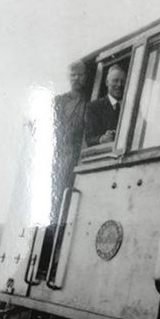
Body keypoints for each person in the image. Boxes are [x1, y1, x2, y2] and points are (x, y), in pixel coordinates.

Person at [50, 61, 90, 223]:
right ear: (68, 77)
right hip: (60, 154)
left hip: (78, 154)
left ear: (85, 77)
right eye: (73, 75)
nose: (76, 78)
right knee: (56, 196)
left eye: (80, 75)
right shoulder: (59, 101)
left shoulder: (89, 101)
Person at [84, 64, 126, 147]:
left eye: (122, 81)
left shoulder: (130, 105)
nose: (119, 85)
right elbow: (89, 139)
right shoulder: (94, 107)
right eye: (115, 81)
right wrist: (102, 139)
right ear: (107, 82)